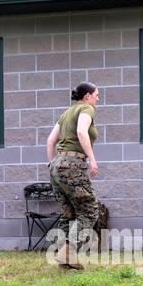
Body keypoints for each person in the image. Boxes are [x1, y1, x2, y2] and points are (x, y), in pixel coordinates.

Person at [45, 82, 101, 270]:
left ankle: (63, 257)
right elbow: (81, 131)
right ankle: (68, 252)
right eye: (96, 95)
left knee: (69, 213)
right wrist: (92, 159)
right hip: (74, 164)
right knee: (89, 209)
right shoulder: (86, 108)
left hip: (57, 164)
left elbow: (50, 141)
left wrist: (53, 164)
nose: (97, 99)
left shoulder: (65, 113)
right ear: (87, 96)